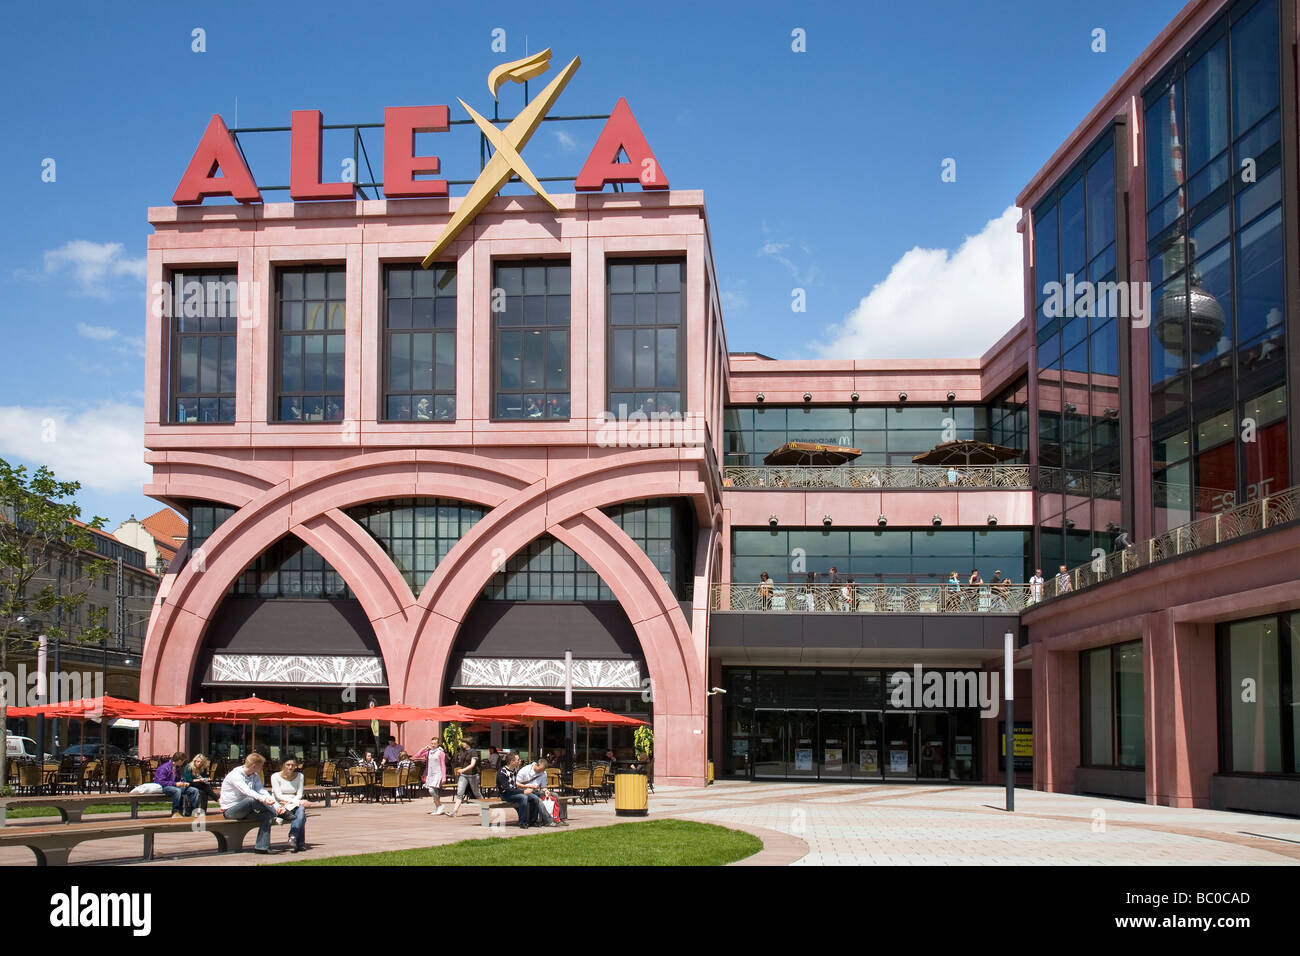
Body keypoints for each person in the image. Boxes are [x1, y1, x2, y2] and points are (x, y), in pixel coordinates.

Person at [219, 753, 289, 855]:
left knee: (267, 815)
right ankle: (279, 813)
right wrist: (265, 800)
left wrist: (275, 804)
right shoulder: (235, 775)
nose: (262, 768)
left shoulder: (254, 775)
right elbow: (247, 791)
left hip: (246, 810)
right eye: (261, 766)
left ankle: (262, 847)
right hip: (230, 810)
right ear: (254, 766)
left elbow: (261, 790)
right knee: (251, 800)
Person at [270, 756, 313, 852]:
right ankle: (300, 842)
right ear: (283, 766)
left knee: (300, 810)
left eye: (293, 765)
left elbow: (299, 794)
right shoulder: (275, 776)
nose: (290, 767)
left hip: (293, 802)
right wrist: (295, 802)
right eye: (288, 765)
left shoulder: (300, 776)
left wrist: (292, 802)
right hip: (279, 803)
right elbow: (278, 795)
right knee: (301, 814)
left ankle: (293, 837)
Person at [496, 751, 540, 829]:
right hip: (505, 795)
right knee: (523, 797)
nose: (520, 761)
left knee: (535, 798)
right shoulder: (502, 772)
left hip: (514, 793)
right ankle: (523, 822)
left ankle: (533, 821)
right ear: (512, 761)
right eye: (518, 760)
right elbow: (507, 789)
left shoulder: (514, 770)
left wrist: (526, 789)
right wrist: (523, 791)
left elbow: (514, 785)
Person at [516, 756, 565, 825]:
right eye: (539, 770)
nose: (540, 772)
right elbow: (517, 784)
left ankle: (559, 818)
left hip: (536, 791)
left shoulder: (543, 773)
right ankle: (548, 821)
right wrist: (529, 786)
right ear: (536, 764)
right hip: (525, 791)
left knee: (555, 795)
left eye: (542, 770)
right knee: (538, 799)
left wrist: (546, 790)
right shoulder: (525, 770)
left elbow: (543, 787)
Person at [155, 751, 199, 819]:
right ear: (179, 761)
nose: (183, 763)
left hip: (175, 786)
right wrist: (175, 784)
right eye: (183, 761)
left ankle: (193, 811)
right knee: (177, 791)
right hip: (164, 787)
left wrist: (183, 782)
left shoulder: (177, 767)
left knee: (194, 790)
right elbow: (160, 782)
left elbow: (178, 779)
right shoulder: (164, 767)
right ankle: (175, 812)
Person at [447, 740, 483, 818]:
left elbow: (472, 764)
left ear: (467, 743)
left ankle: (484, 808)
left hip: (473, 775)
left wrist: (463, 770)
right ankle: (454, 811)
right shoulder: (462, 751)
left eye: (463, 742)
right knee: (460, 793)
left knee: (476, 793)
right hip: (463, 775)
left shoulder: (473, 752)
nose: (461, 744)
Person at [417, 737, 447, 814]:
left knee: (432, 789)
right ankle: (438, 807)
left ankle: (439, 805)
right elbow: (418, 756)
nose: (433, 745)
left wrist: (444, 777)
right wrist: (424, 748)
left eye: (435, 743)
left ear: (438, 744)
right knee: (434, 791)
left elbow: (443, 765)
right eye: (432, 743)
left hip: (438, 773)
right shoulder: (428, 752)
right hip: (430, 774)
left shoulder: (441, 753)